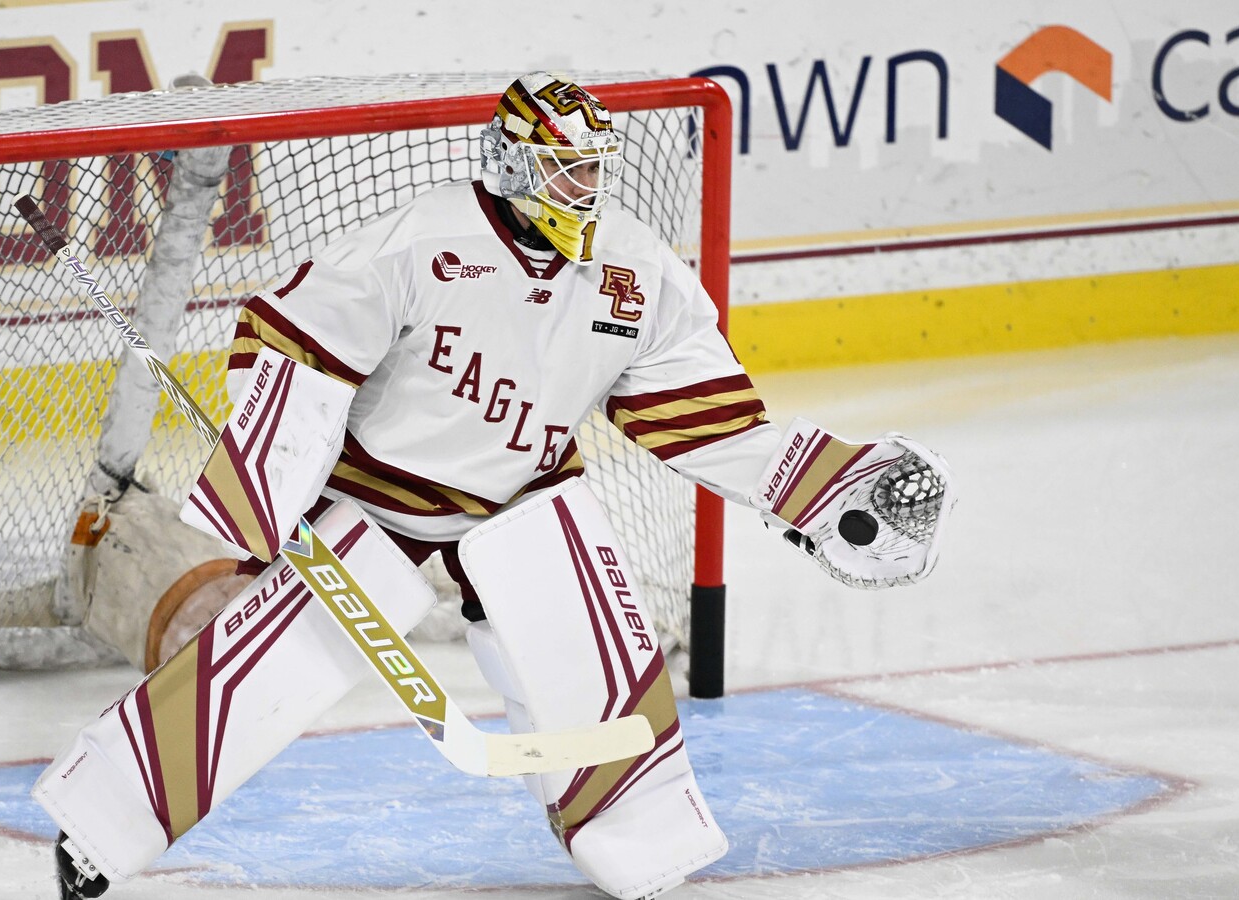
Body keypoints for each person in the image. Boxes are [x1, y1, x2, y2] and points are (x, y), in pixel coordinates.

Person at [49, 71, 951, 900]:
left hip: (526, 494)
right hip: (379, 498)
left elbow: (702, 411)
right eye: (564, 172)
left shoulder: (632, 270)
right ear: (513, 166)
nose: (583, 191)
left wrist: (825, 490)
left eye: (593, 171)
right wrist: (268, 493)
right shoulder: (421, 240)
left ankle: (644, 843)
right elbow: (298, 344)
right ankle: (102, 824)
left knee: (596, 663)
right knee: (265, 666)